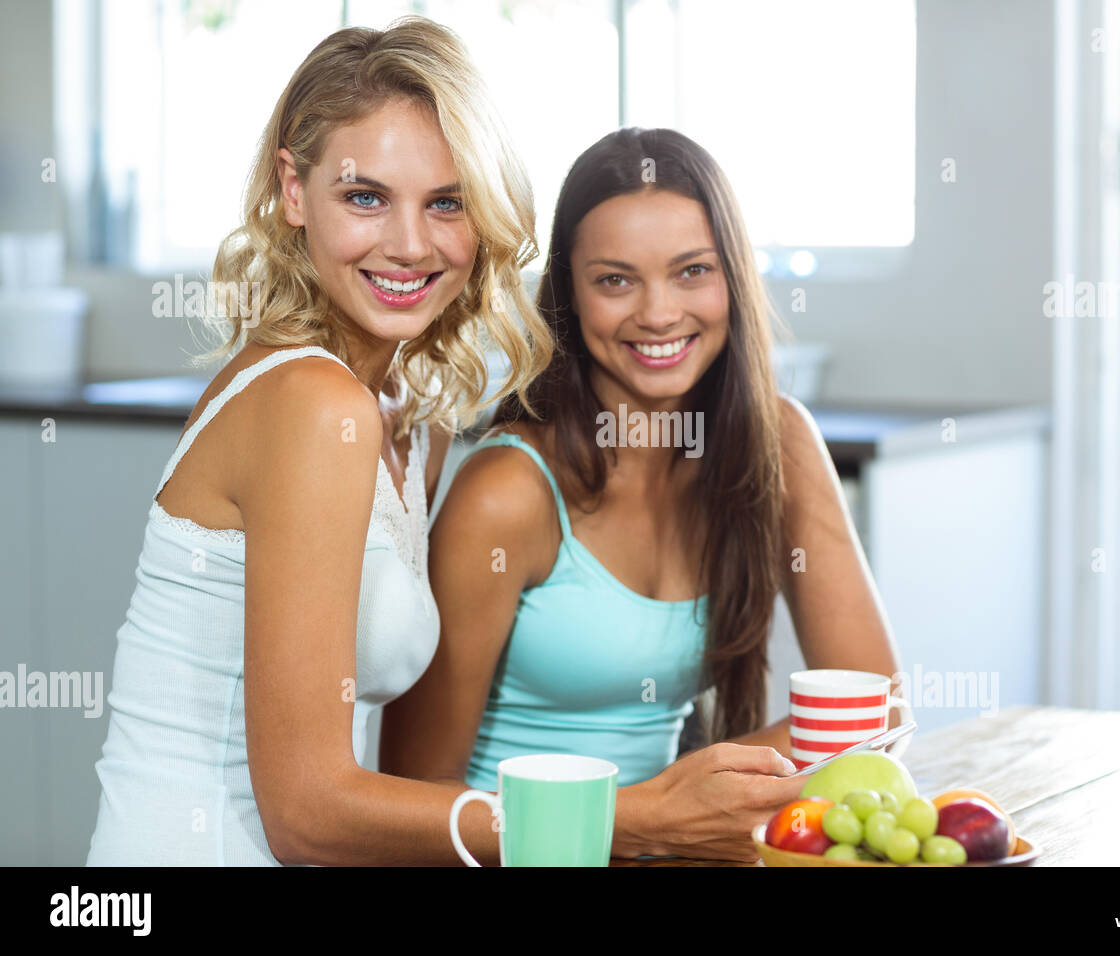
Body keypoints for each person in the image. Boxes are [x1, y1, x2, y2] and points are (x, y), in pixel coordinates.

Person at [85, 16, 551, 865]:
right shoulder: (312, 401)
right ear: (294, 192)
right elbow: (307, 816)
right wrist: (620, 819)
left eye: (446, 202)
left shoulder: (411, 411)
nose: (411, 245)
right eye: (365, 196)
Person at [384, 127, 906, 862]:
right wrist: (650, 814)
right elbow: (410, 802)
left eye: (693, 271)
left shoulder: (780, 444)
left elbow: (877, 710)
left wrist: (691, 805)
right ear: (568, 296)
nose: (659, 313)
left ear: (734, 278)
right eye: (616, 280)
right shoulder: (508, 494)